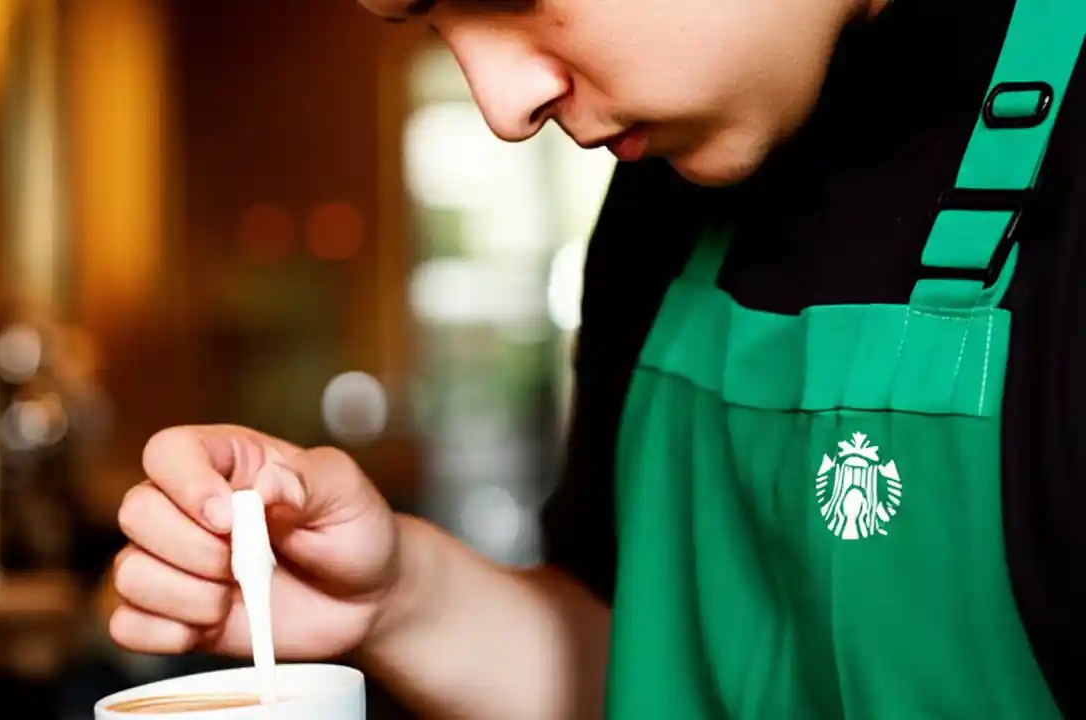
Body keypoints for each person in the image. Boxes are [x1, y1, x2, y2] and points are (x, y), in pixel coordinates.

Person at [109, 0, 1085, 716]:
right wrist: (401, 596)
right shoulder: (669, 192)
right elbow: (644, 675)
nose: (500, 105)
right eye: (436, 27)